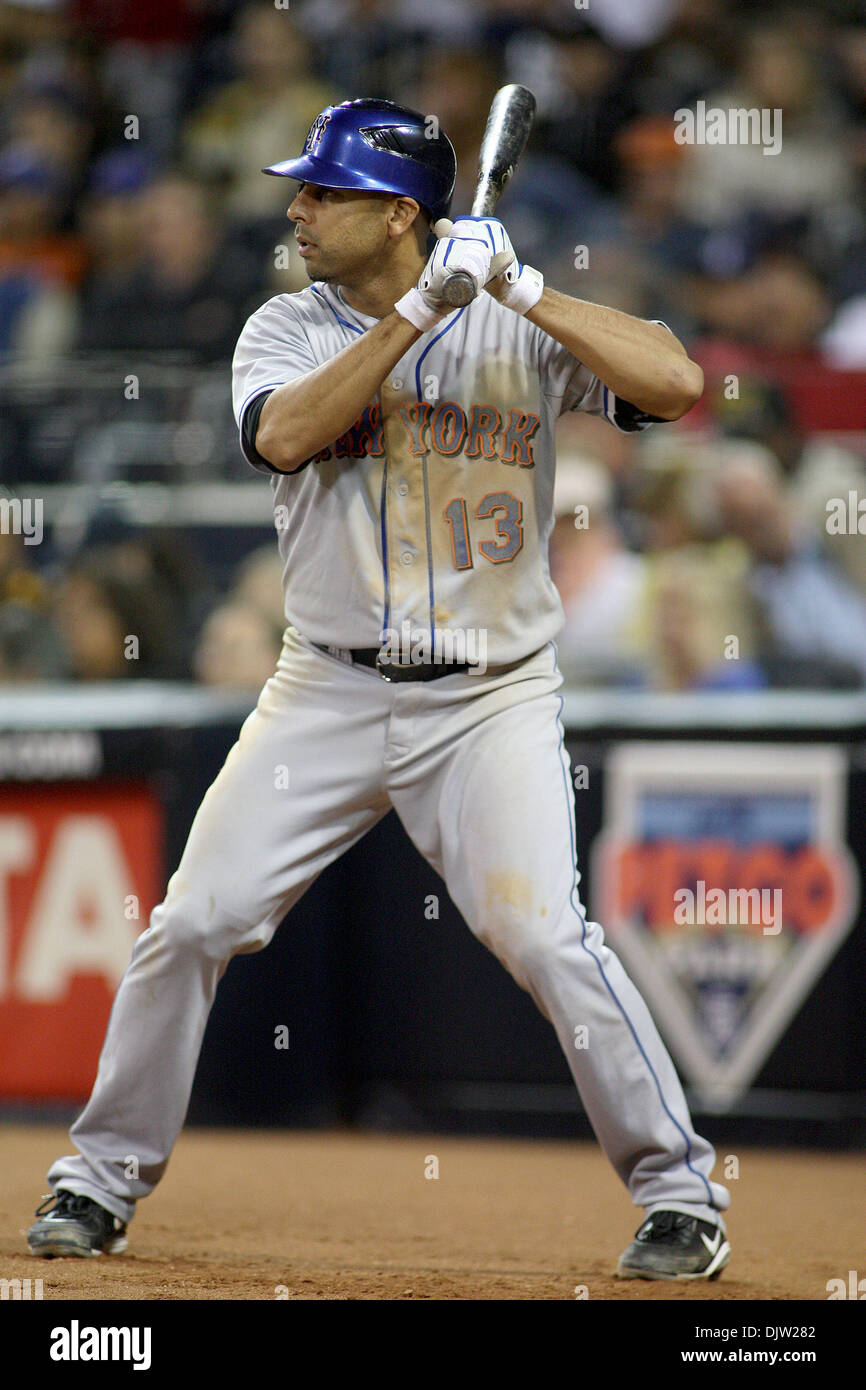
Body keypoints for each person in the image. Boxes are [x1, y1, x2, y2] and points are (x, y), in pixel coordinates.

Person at [27, 98, 730, 1282]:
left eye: (324, 191)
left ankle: (679, 1196)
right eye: (302, 188)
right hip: (324, 691)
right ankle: (95, 1182)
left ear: (399, 211)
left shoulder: (510, 314)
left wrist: (522, 292)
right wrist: (417, 312)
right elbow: (287, 436)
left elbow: (676, 381)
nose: (297, 207)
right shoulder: (282, 326)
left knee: (547, 938)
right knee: (192, 921)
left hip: (490, 696)